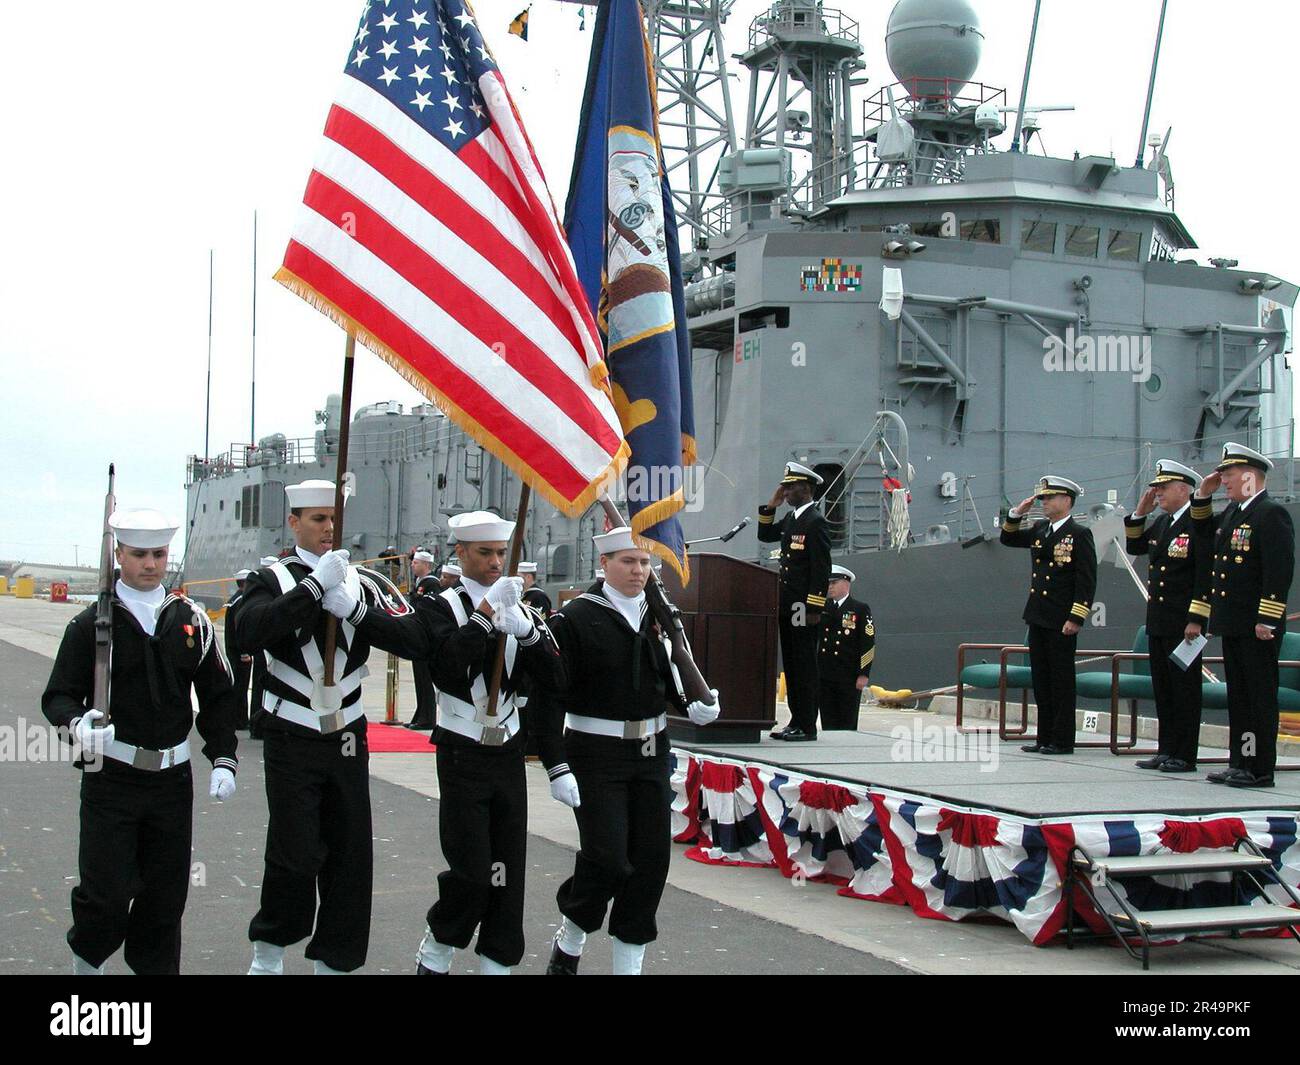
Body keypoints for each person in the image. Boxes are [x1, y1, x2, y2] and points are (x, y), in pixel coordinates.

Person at [345, 511, 569, 975]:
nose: (494, 563)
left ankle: (498, 960)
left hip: (506, 748)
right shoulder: (437, 607)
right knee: (471, 868)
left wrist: (527, 631)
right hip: (462, 747)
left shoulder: (522, 608)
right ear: (461, 553)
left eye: (501, 554)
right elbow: (445, 665)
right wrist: (486, 620)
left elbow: (557, 678)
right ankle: (439, 945)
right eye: (484, 553)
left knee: (508, 865)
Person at [41, 508, 240, 975]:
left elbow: (218, 695)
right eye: (139, 554)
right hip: (112, 777)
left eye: (159, 553)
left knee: (163, 902)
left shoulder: (191, 620)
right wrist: (77, 726)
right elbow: (58, 696)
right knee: (105, 896)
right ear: (119, 554)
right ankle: (86, 969)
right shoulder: (91, 624)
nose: (151, 563)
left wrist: (224, 756)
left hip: (172, 780)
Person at [235, 479, 415, 975]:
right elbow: (247, 632)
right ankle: (268, 955)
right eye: (318, 519)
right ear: (294, 522)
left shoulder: (365, 582)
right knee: (294, 854)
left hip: (347, 737)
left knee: (349, 857)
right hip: (292, 732)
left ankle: (334, 963)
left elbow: (414, 639)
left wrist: (355, 609)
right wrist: (313, 590)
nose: (328, 528)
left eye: (334, 519)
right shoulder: (270, 579)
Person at [544, 527, 719, 976]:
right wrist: (556, 765)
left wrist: (696, 704)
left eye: (645, 563)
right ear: (603, 564)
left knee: (650, 864)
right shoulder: (575, 619)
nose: (638, 571)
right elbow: (548, 699)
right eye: (627, 561)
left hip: (651, 752)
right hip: (595, 754)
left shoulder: (660, 615)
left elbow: (669, 679)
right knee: (606, 858)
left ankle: (629, 966)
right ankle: (572, 935)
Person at [1192, 442, 1294, 788]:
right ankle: (1240, 761)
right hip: (1234, 622)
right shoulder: (1234, 514)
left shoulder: (1269, 513)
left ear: (1250, 476)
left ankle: (1260, 768)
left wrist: (1267, 619)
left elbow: (1278, 571)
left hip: (1256, 625)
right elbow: (1202, 534)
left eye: (1229, 474)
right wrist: (1203, 496)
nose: (1224, 481)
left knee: (1258, 696)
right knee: (1240, 697)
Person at [1124, 460, 1211, 772]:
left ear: (1183, 489)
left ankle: (1185, 754)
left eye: (1163, 488)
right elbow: (1135, 544)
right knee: (1163, 688)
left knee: (1184, 690)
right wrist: (1140, 513)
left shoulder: (1198, 522)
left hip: (1184, 623)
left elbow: (1204, 573)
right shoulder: (1162, 524)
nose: (1157, 492)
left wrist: (1197, 619)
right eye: (1156, 487)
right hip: (1160, 619)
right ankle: (1166, 749)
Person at [1000, 476, 1097, 755]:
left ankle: (1062, 739)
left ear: (1066, 500)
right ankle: (1044, 737)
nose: (1044, 502)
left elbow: (1086, 579)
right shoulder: (1041, 530)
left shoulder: (1079, 534)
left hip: (1061, 619)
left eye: (1049, 498)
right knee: (1041, 679)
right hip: (1039, 615)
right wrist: (1017, 513)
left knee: (1061, 680)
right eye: (1042, 498)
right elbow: (1008, 538)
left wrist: (1076, 617)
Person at [758, 461, 831, 742]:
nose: (786, 491)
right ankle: (795, 720)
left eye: (791, 487)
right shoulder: (792, 520)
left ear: (807, 489)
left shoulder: (816, 522)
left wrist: (814, 607)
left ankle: (807, 725)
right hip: (788, 604)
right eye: (785, 487)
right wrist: (771, 505)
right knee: (791, 665)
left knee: (803, 665)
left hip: (803, 606)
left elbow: (821, 568)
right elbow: (765, 535)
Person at [817, 564, 875, 731]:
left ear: (846, 583)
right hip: (825, 674)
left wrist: (863, 674)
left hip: (848, 676)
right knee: (828, 720)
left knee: (847, 722)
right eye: (828, 583)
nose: (830, 587)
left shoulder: (859, 609)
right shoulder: (823, 608)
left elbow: (868, 643)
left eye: (834, 583)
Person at [406, 550, 439, 730]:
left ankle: (427, 718)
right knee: (419, 678)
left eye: (417, 562)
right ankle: (421, 714)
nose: (412, 565)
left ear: (426, 565)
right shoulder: (420, 583)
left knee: (424, 678)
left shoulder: (432, 584)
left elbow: (429, 609)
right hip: (417, 634)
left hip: (425, 637)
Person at [224, 568, 254, 730]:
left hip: (232, 649)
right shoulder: (241, 601)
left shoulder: (234, 599)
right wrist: (244, 651)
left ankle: (237, 718)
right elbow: (240, 628)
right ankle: (240, 720)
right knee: (241, 686)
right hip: (239, 651)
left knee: (238, 685)